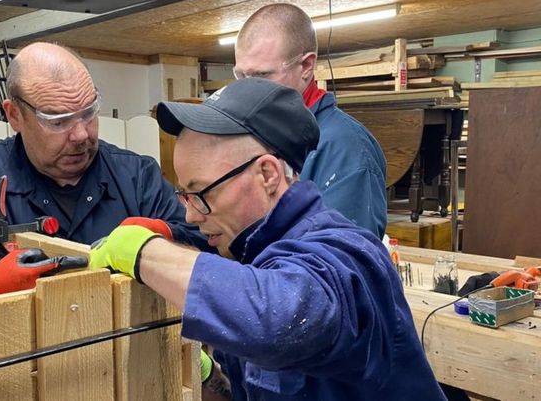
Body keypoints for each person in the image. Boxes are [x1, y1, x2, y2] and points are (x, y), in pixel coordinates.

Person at [89, 78, 445, 400]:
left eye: (201, 193)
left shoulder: (347, 255)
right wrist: (208, 376)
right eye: (184, 194)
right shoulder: (250, 262)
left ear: (267, 175)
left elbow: (278, 316)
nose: (190, 216)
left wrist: (144, 252)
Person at [0, 42, 206, 307]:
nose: (81, 134)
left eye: (89, 113)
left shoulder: (138, 176)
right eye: (58, 121)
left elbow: (203, 245)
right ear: (15, 115)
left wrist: (164, 237)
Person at [233, 3, 387, 238]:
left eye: (262, 75)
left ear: (306, 66)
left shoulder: (344, 148)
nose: (248, 89)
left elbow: (344, 260)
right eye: (241, 76)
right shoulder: (262, 135)